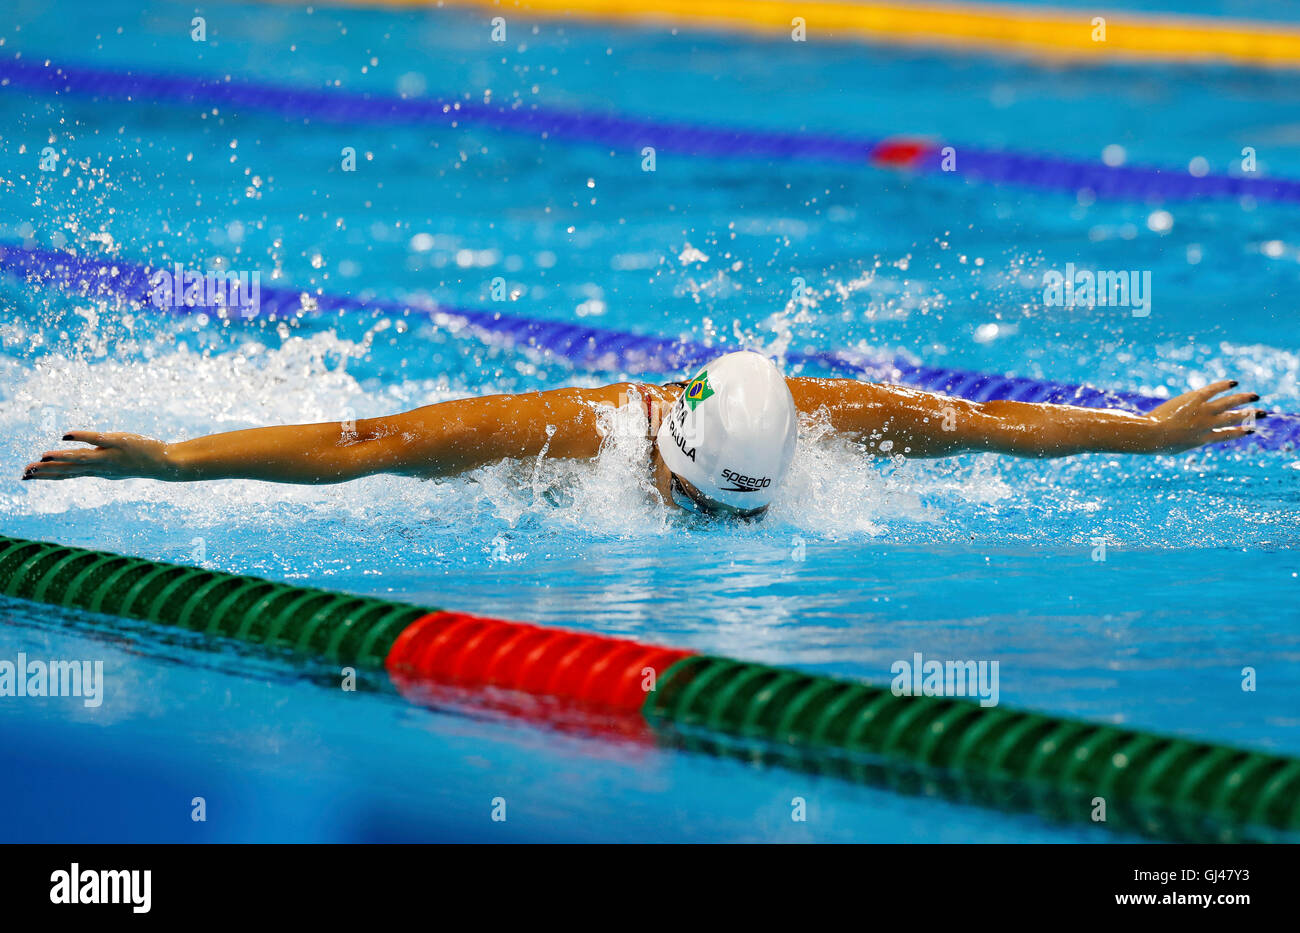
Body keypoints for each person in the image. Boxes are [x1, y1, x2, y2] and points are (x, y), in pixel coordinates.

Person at [21, 350, 1264, 520]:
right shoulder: (564, 434)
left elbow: (992, 426)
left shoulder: (843, 421)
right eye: (683, 499)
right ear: (662, 441)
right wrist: (176, 459)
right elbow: (373, 442)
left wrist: (1146, 438)